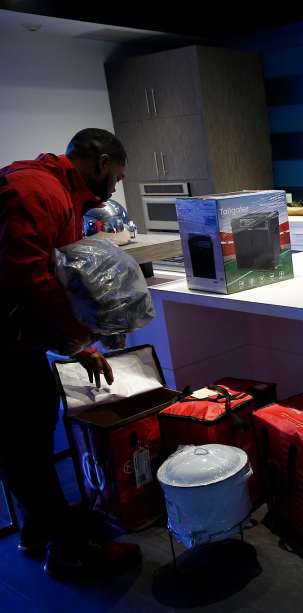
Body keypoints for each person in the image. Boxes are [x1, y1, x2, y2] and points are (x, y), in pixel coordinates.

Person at [0, 128, 141, 579]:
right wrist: (78, 338)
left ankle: (38, 531)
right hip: (5, 348)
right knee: (28, 441)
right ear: (101, 162)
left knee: (26, 440)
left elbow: (52, 278)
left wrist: (81, 349)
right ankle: (70, 553)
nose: (115, 187)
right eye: (116, 177)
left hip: (16, 339)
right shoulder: (36, 190)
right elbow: (30, 282)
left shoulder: (54, 190)